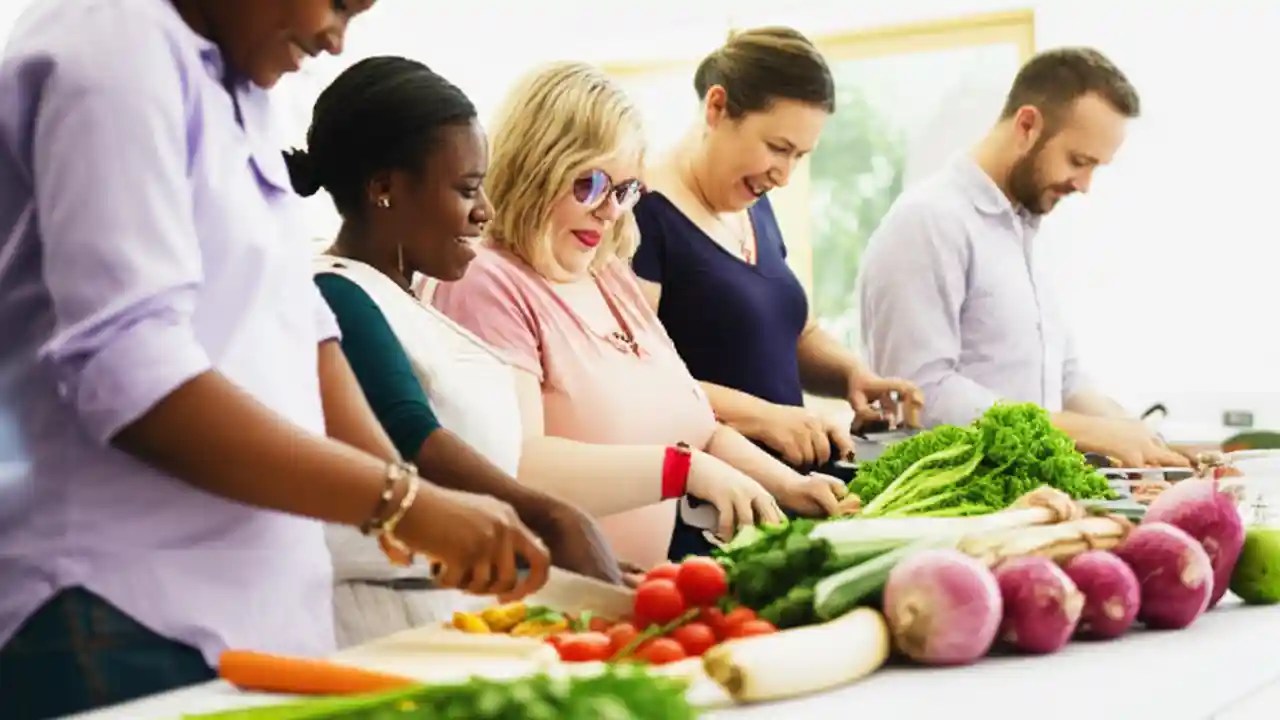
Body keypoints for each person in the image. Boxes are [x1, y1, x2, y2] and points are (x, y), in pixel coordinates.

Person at [0, 2, 549, 716]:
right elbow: (128, 371)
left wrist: (402, 501)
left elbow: (301, 329)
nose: (336, 37)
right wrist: (404, 502)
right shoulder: (113, 57)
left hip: (247, 622)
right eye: (337, 2)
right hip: (119, 612)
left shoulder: (242, 81)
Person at [431, 62, 852, 568]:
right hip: (551, 596)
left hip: (630, 589)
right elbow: (520, 461)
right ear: (535, 168)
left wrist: (791, 486)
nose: (608, 211)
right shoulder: (485, 282)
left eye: (625, 191)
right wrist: (682, 471)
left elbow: (698, 425)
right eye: (588, 185)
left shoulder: (607, 274)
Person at [284, 56, 622, 647]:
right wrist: (554, 516)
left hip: (451, 610)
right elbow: (412, 435)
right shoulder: (339, 292)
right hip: (384, 622)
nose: (485, 211)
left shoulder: (408, 302)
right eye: (467, 189)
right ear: (384, 188)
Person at [858, 47, 1189, 469]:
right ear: (1028, 125)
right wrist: (1089, 433)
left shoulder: (1028, 230)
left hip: (1030, 493)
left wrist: (1145, 440)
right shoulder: (929, 222)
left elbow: (1065, 380)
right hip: (953, 506)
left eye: (1096, 168)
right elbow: (923, 392)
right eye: (1078, 161)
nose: (1085, 185)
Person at [633, 27, 925, 477]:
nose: (784, 175)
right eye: (777, 148)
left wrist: (851, 375)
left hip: (794, 487)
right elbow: (632, 380)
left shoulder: (755, 206)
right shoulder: (643, 216)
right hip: (712, 499)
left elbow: (793, 332)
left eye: (800, 157)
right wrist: (761, 415)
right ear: (716, 108)